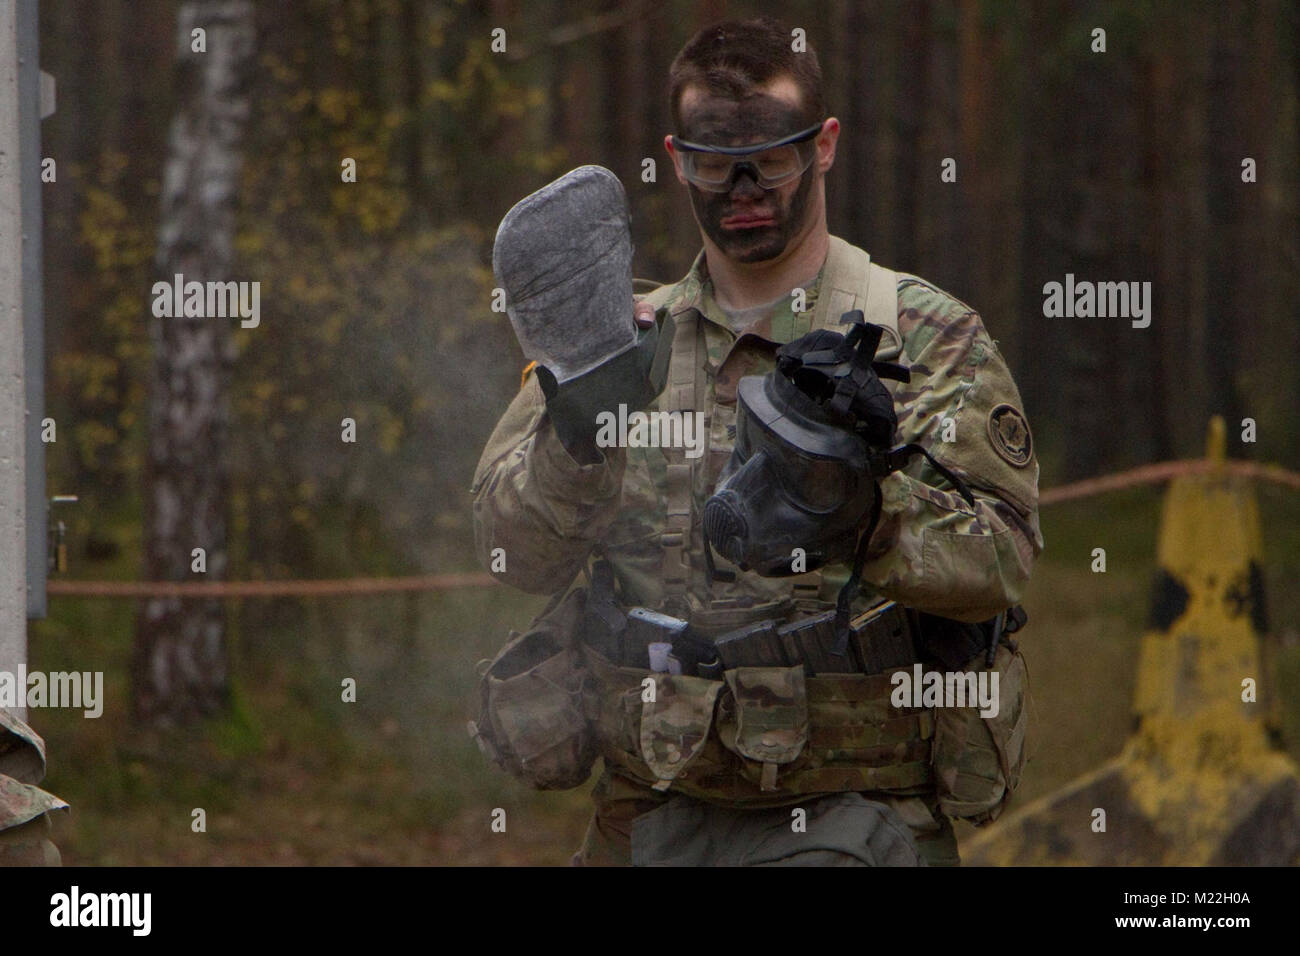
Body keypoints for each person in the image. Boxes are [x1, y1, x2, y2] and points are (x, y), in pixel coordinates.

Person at [472, 15, 1043, 866]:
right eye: (713, 162)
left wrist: (859, 510)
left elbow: (1005, 558)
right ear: (674, 159)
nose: (743, 188)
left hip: (861, 813)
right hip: (650, 818)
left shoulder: (923, 336)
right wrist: (581, 435)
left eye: (771, 157)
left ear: (825, 146)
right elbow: (512, 557)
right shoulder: (618, 343)